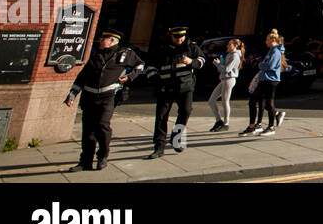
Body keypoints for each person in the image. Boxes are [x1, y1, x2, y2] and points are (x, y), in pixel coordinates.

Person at [63, 28, 146, 171]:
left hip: (108, 96)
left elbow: (140, 65)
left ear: (112, 41)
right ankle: (85, 161)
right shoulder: (95, 54)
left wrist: (130, 77)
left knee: (102, 126)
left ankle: (102, 156)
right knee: (88, 129)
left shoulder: (125, 54)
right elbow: (83, 76)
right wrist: (72, 94)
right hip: (89, 96)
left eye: (104, 39)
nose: (100, 41)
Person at [145, 25, 206, 159]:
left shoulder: (191, 47)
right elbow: (150, 67)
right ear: (171, 36)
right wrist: (156, 79)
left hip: (185, 86)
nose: (179, 39)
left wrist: (192, 62)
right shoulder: (162, 49)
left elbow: (202, 60)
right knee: (161, 117)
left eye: (182, 36)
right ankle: (159, 147)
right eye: (176, 37)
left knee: (185, 111)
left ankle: (176, 138)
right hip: (165, 87)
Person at [243, 30, 287, 136]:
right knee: (258, 100)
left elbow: (270, 66)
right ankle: (255, 125)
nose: (265, 42)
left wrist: (261, 65)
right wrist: (263, 64)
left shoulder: (275, 51)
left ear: (272, 40)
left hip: (270, 79)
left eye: (267, 40)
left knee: (266, 102)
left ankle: (270, 126)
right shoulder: (272, 50)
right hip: (266, 79)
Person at [207, 39, 243, 132]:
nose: (227, 46)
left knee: (225, 101)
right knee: (211, 100)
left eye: (229, 44)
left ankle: (226, 123)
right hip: (224, 79)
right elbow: (224, 68)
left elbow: (227, 69)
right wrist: (220, 62)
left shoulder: (235, 56)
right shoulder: (230, 54)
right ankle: (219, 120)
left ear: (235, 46)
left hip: (229, 79)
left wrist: (218, 64)